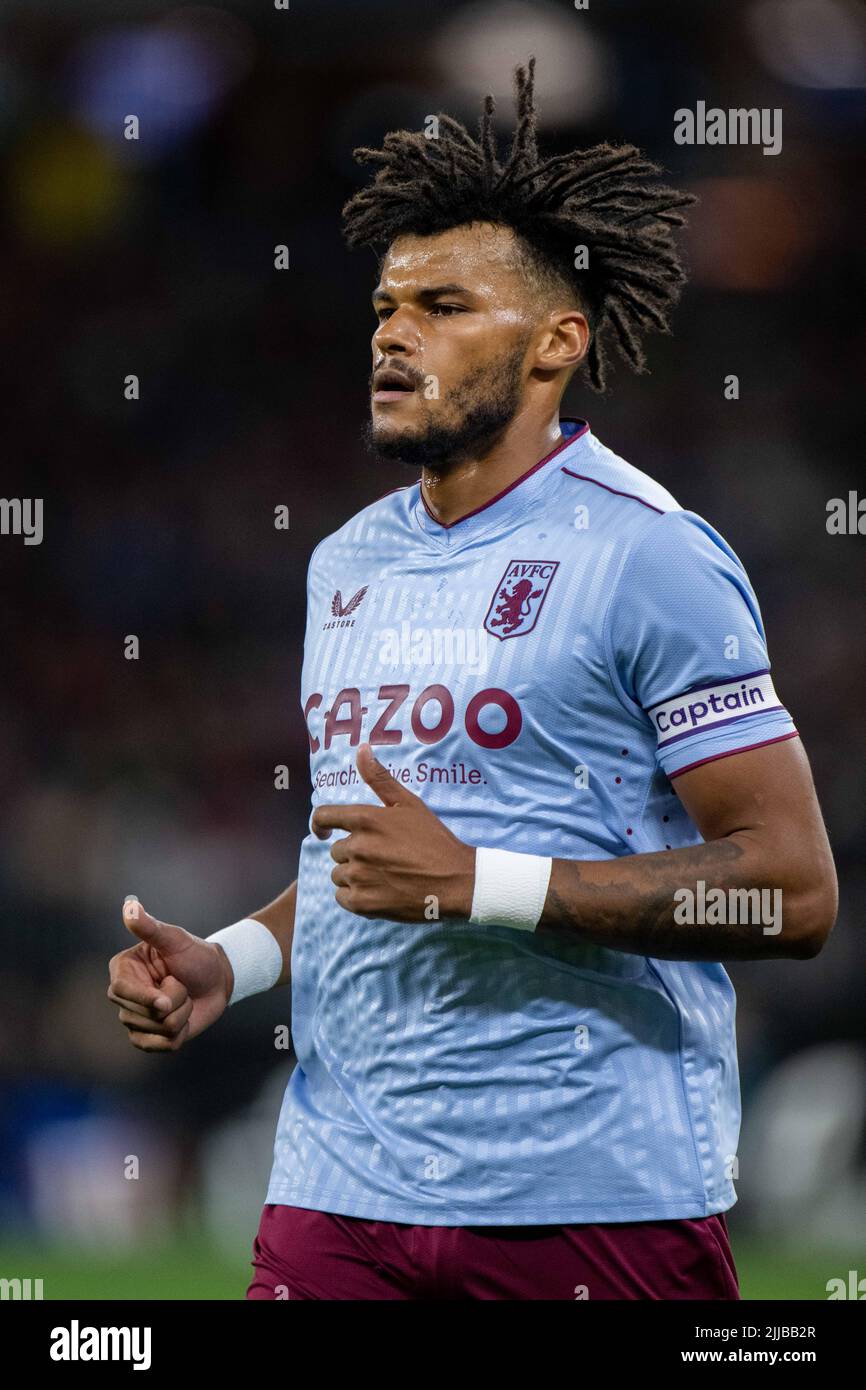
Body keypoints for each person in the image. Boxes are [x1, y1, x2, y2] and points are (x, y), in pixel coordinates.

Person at [107, 59, 837, 1300]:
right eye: (388, 305)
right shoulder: (346, 561)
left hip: (589, 1195)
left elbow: (788, 893)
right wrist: (235, 959)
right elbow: (360, 855)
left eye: (444, 305)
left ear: (556, 341)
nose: (393, 333)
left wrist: (479, 884)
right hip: (339, 1189)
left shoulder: (650, 555)